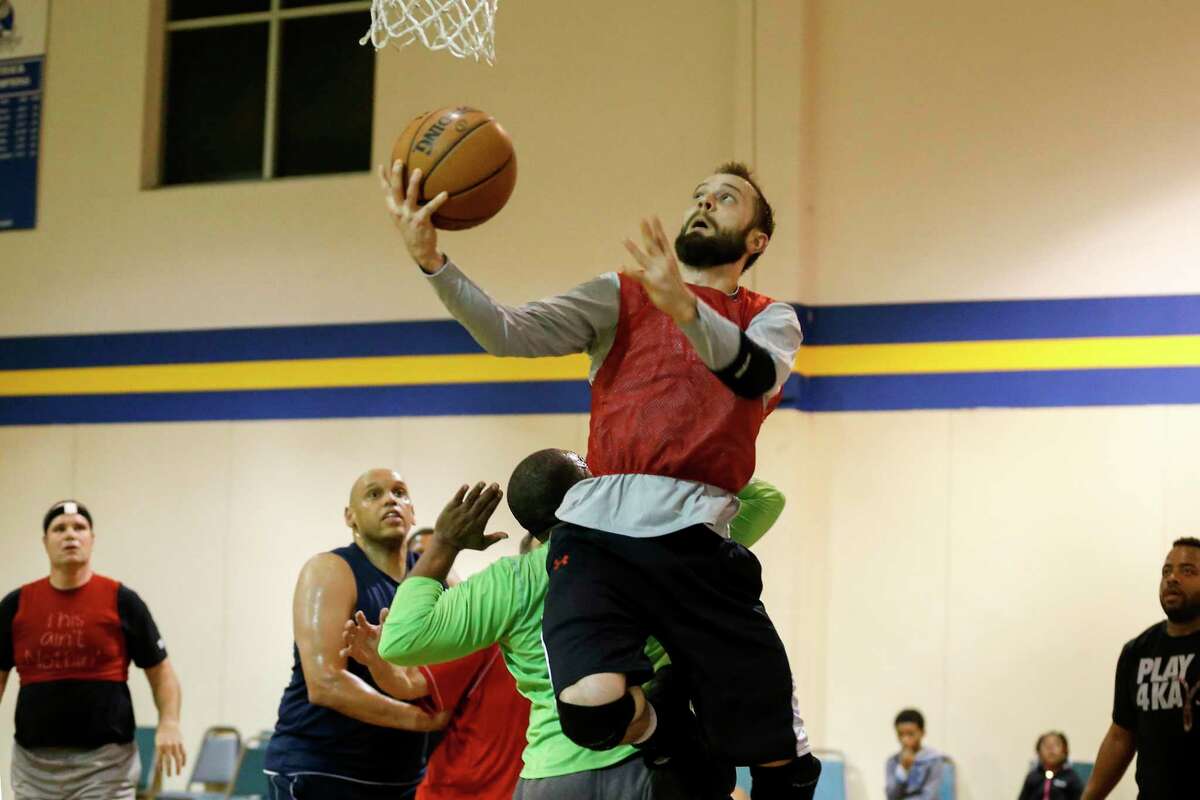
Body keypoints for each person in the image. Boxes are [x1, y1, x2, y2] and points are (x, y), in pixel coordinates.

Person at [385, 160, 816, 798]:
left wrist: (688, 313)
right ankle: (661, 730)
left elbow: (751, 376)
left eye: (725, 199)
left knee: (783, 766)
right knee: (592, 712)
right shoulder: (621, 295)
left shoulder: (769, 317)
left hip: (696, 541)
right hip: (596, 536)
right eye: (696, 194)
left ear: (756, 240)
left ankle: (690, 737)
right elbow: (508, 332)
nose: (704, 203)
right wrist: (432, 263)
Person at [366, 448, 787, 799]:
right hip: (651, 764)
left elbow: (400, 640)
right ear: (591, 491)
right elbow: (766, 500)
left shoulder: (507, 582)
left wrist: (445, 543)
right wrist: (653, 468)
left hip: (553, 776)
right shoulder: (659, 549)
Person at [263, 469, 452, 800]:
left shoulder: (442, 581)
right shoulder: (330, 570)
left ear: (413, 512)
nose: (390, 499)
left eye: (399, 492)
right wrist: (420, 720)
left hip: (403, 777)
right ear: (350, 517)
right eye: (374, 494)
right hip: (321, 769)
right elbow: (325, 684)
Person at [0, 500, 186, 800]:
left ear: (92, 539)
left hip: (106, 767)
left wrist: (169, 722)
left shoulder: (122, 600)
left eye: (79, 527)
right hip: (34, 769)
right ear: (45, 542)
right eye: (59, 528)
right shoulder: (15, 605)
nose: (70, 534)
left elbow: (160, 672)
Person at [1081, 536, 1200, 800]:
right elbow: (1120, 737)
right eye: (1166, 571)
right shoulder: (1137, 652)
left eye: (1188, 570)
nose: (1172, 578)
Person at [885, 709, 945, 800]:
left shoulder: (933, 759)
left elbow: (930, 796)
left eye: (910, 734)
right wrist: (903, 769)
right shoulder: (893, 761)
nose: (905, 739)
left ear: (922, 733)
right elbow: (891, 796)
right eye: (900, 734)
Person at [1017, 731, 1082, 800]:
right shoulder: (1032, 777)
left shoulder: (1071, 778)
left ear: (1065, 751)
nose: (1051, 749)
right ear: (1038, 751)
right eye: (1046, 745)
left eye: (1056, 744)